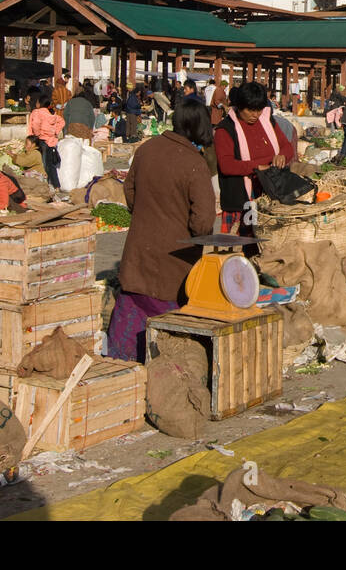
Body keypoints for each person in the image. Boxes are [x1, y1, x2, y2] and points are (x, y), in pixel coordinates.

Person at [109, 100, 217, 361]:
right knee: (171, 344)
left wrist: (147, 216)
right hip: (175, 262)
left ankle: (121, 369)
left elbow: (130, 192)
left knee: (128, 331)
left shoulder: (147, 149)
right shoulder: (194, 163)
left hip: (139, 253)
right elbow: (202, 222)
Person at [214, 82, 294, 237]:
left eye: (259, 110)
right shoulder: (225, 130)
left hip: (269, 193)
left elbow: (287, 146)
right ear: (238, 106)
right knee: (241, 247)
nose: (255, 115)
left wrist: (282, 156)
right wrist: (258, 166)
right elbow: (226, 165)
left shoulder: (267, 121)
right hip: (241, 198)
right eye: (250, 110)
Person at [27, 95, 65, 187]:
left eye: (37, 102)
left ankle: (45, 184)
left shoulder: (37, 112)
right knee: (50, 165)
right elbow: (62, 122)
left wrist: (37, 135)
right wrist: (55, 131)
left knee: (42, 164)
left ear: (40, 104)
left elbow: (35, 124)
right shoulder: (52, 113)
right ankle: (56, 185)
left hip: (42, 140)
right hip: (51, 141)